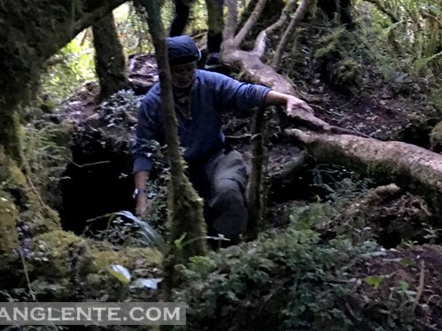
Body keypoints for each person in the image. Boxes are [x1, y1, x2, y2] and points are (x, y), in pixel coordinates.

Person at [132, 35, 314, 238]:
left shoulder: (209, 82)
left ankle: (230, 246)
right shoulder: (152, 103)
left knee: (227, 191)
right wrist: (141, 194)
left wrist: (285, 98)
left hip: (218, 156)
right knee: (183, 213)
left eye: (189, 69)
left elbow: (244, 93)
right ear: (165, 70)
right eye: (178, 70)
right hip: (179, 169)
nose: (184, 75)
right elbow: (143, 150)